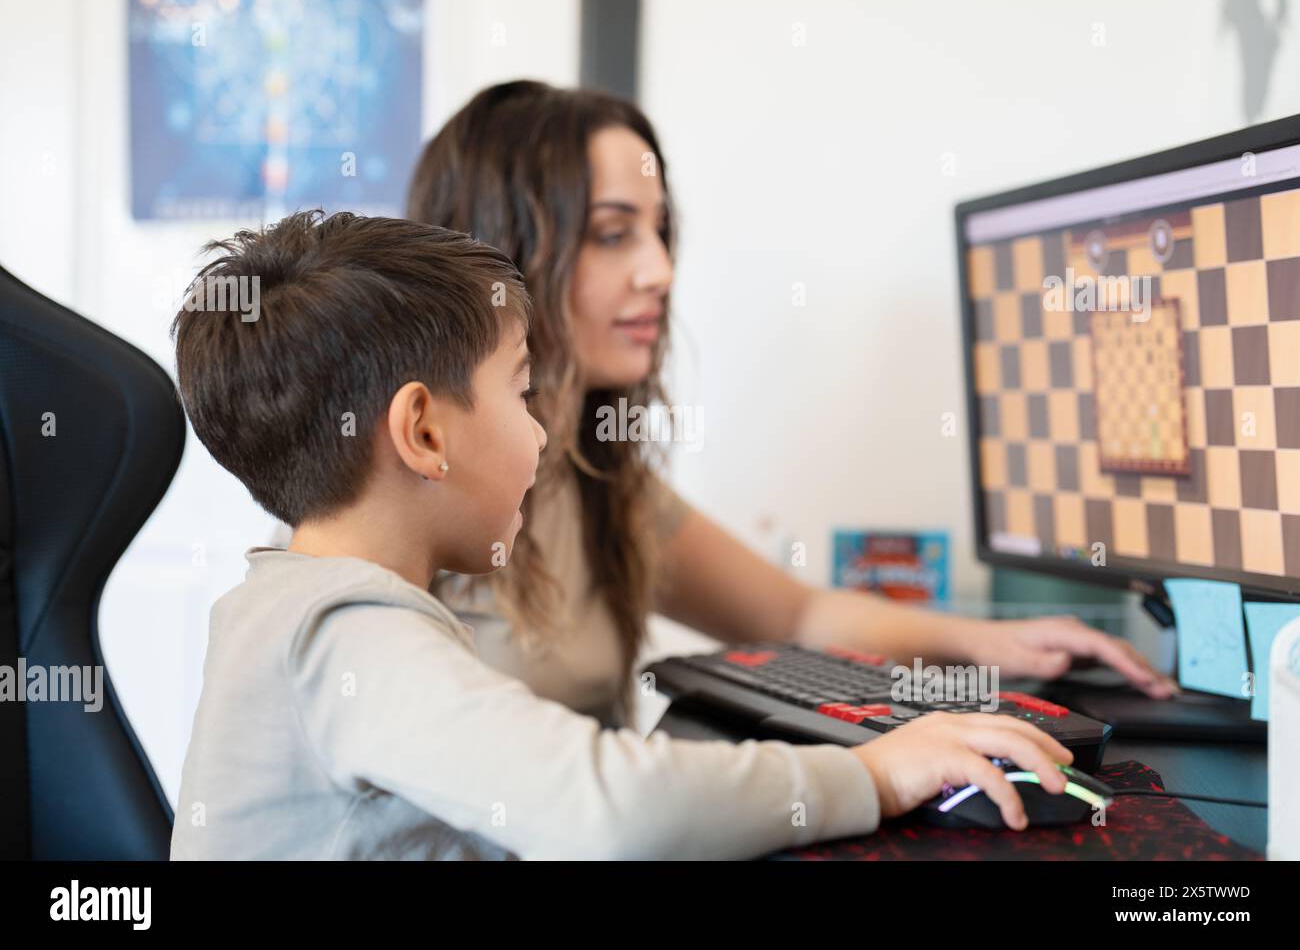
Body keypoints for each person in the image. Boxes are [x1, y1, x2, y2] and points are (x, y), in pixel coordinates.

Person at [169, 209, 1075, 860]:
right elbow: (604, 813)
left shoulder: (277, 608)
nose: (538, 431)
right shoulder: (347, 637)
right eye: (521, 392)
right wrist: (873, 779)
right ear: (425, 434)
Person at [406, 80, 1179, 730]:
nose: (660, 270)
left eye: (661, 231)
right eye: (614, 235)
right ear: (499, 254)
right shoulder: (412, 493)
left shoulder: (603, 477)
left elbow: (797, 617)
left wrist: (991, 644)